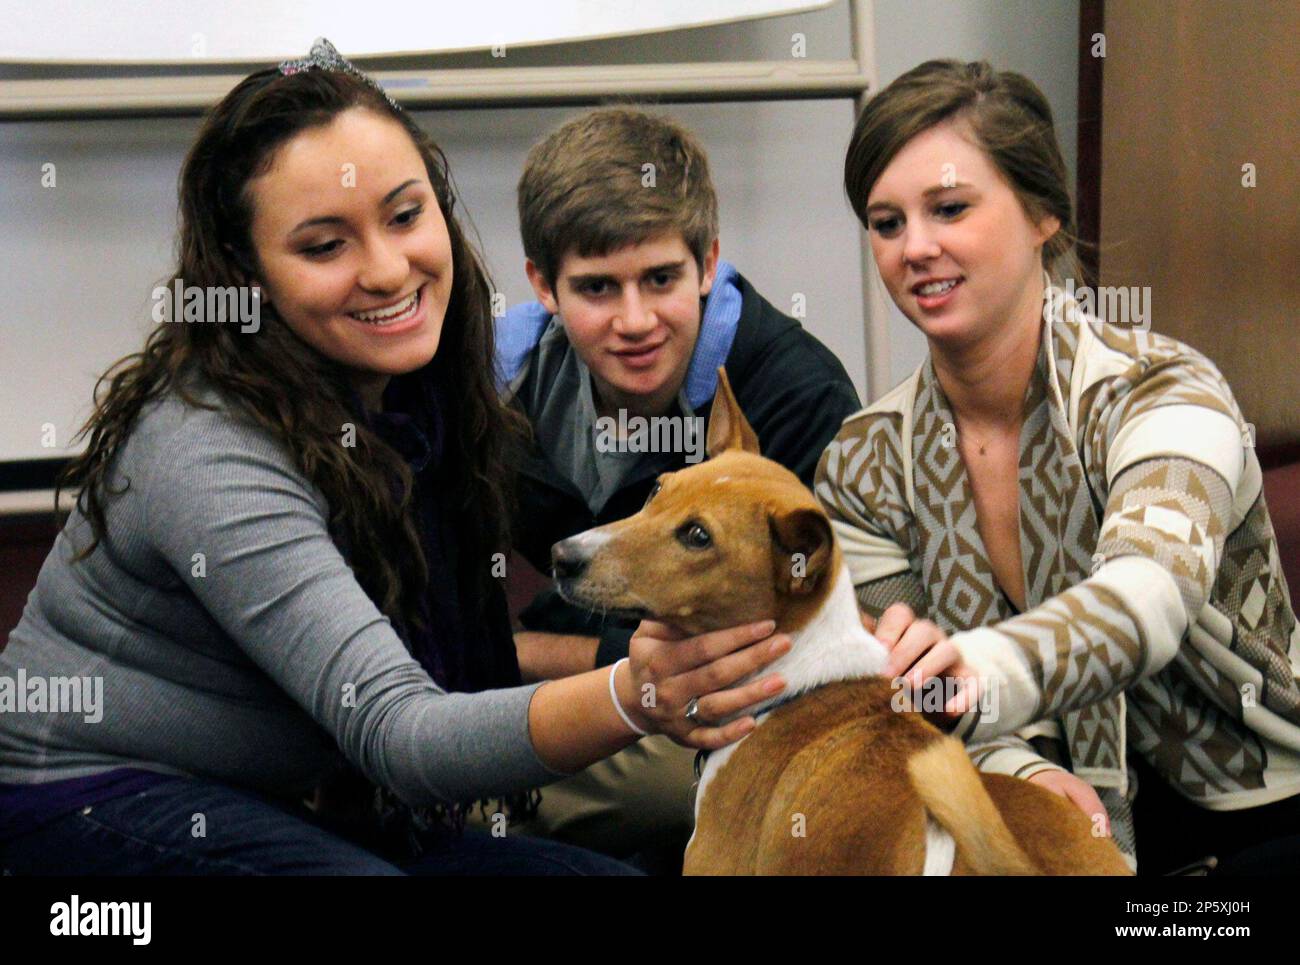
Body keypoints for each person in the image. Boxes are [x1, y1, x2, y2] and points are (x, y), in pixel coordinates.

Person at [0, 39, 790, 876]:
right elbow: (402, 734)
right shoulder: (205, 448)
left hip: (293, 797)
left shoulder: (432, 394)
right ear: (246, 273)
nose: (387, 268)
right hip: (95, 798)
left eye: (407, 215)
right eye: (323, 246)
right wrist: (638, 691)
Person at [817, 58, 1300, 874]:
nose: (915, 247)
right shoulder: (861, 462)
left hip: (1257, 806)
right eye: (887, 222)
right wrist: (1017, 764)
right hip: (1030, 811)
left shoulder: (1164, 393)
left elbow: (1148, 598)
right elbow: (906, 687)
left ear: (1043, 212)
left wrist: (982, 669)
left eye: (950, 208)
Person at [494, 106, 861, 863]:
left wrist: (520, 653)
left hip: (738, 695)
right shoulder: (502, 382)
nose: (635, 320)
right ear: (543, 287)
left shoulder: (796, 393)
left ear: (707, 262)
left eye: (660, 279)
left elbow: (765, 642)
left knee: (653, 794)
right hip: (590, 675)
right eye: (596, 288)